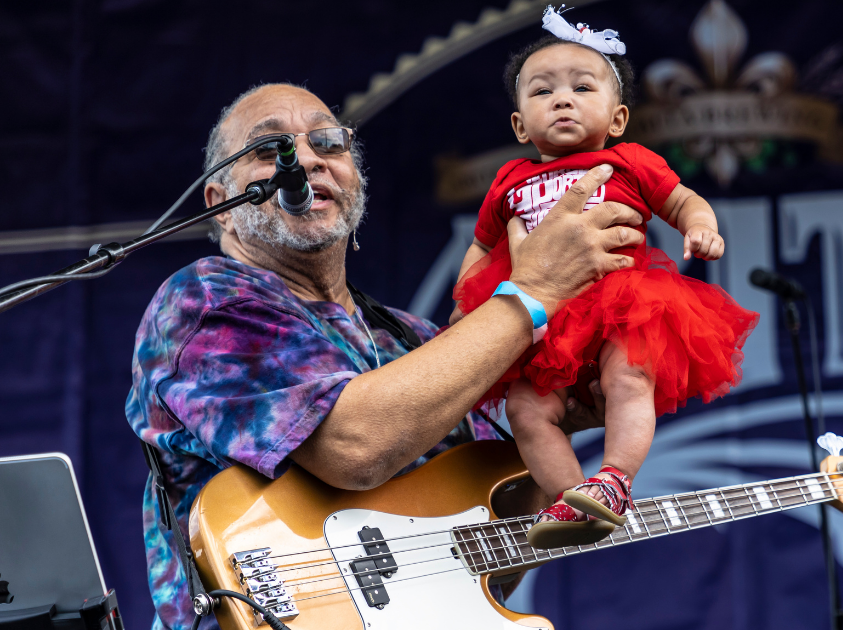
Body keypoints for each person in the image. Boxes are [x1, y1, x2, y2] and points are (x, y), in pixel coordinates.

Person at [125, 83, 645, 630]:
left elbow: (473, 556)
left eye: (329, 144)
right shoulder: (203, 301)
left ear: (355, 182)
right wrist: (532, 292)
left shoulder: (420, 340)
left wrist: (561, 404)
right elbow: (355, 448)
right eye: (268, 148)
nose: (304, 159)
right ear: (220, 206)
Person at [450, 10, 759, 550]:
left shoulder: (630, 162)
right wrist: (464, 301)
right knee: (527, 408)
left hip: (620, 304)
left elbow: (681, 199)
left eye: (581, 87)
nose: (562, 99)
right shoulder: (510, 180)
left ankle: (614, 479)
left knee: (629, 379)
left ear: (617, 120)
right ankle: (576, 501)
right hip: (540, 320)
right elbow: (481, 244)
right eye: (543, 91)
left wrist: (701, 226)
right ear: (521, 125)